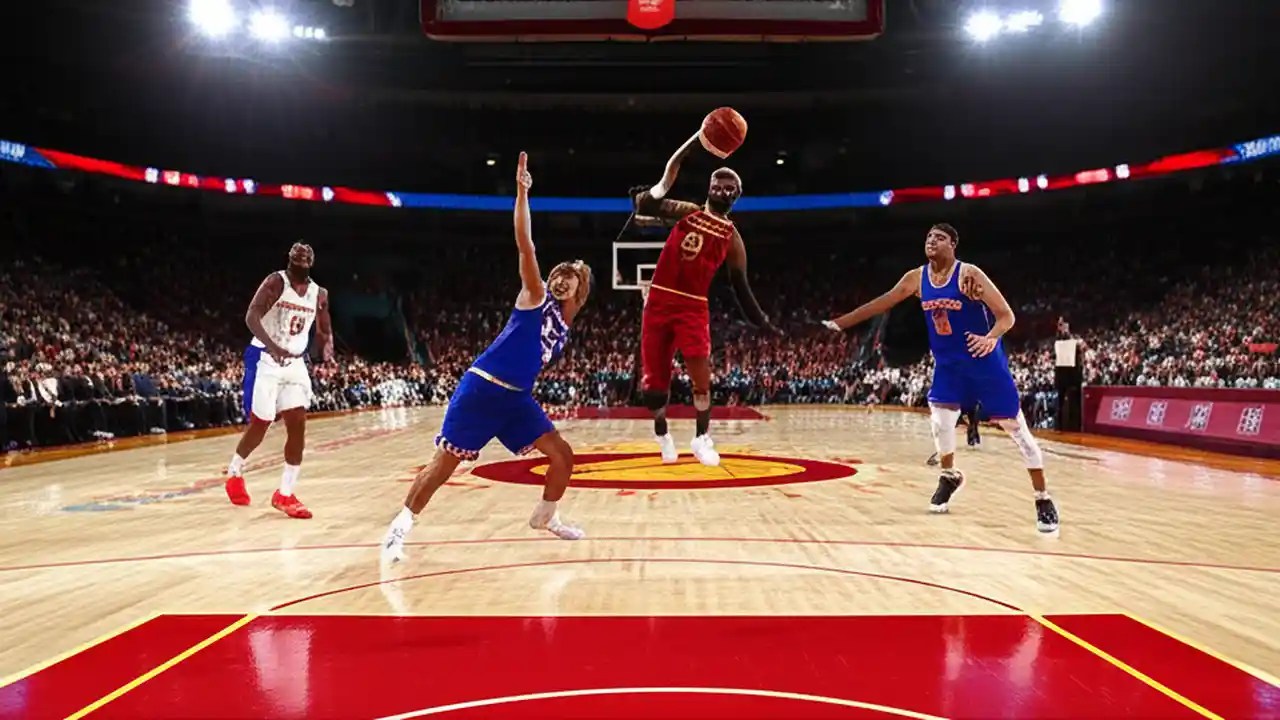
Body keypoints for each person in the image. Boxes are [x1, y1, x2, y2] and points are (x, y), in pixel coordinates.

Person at [381, 152, 592, 564]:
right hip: (482, 389)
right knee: (441, 469)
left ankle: (545, 517)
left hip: (515, 399)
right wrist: (521, 192)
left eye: (572, 277)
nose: (561, 278)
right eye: (559, 273)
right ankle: (398, 529)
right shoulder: (534, 296)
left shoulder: (564, 326)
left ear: (580, 294)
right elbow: (525, 244)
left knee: (563, 456)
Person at [824, 223, 1059, 533]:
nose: (931, 241)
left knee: (1018, 432)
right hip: (949, 366)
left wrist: (991, 337)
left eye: (939, 237)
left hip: (985, 364)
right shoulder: (916, 278)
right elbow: (884, 301)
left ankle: (1043, 498)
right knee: (939, 421)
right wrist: (844, 322)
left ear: (953, 245)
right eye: (928, 237)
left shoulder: (969, 274)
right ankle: (950, 476)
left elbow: (1007, 316)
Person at [629, 131, 776, 467]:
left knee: (701, 377)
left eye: (729, 187)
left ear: (737, 196)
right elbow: (647, 203)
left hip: (693, 305)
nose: (722, 189)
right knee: (654, 386)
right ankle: (663, 434)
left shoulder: (732, 237)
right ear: (708, 188)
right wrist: (694, 142)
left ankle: (701, 437)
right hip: (660, 301)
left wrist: (762, 321)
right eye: (717, 183)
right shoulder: (687, 212)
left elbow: (741, 286)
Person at [224, 242, 333, 519]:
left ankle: (285, 494)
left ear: (311, 262)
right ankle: (235, 470)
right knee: (261, 423)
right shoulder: (276, 282)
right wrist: (273, 346)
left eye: (306, 258)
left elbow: (324, 328)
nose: (301, 262)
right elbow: (251, 316)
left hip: (295, 361)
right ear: (290, 259)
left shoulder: (319, 294)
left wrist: (326, 346)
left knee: (298, 425)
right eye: (297, 258)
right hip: (265, 358)